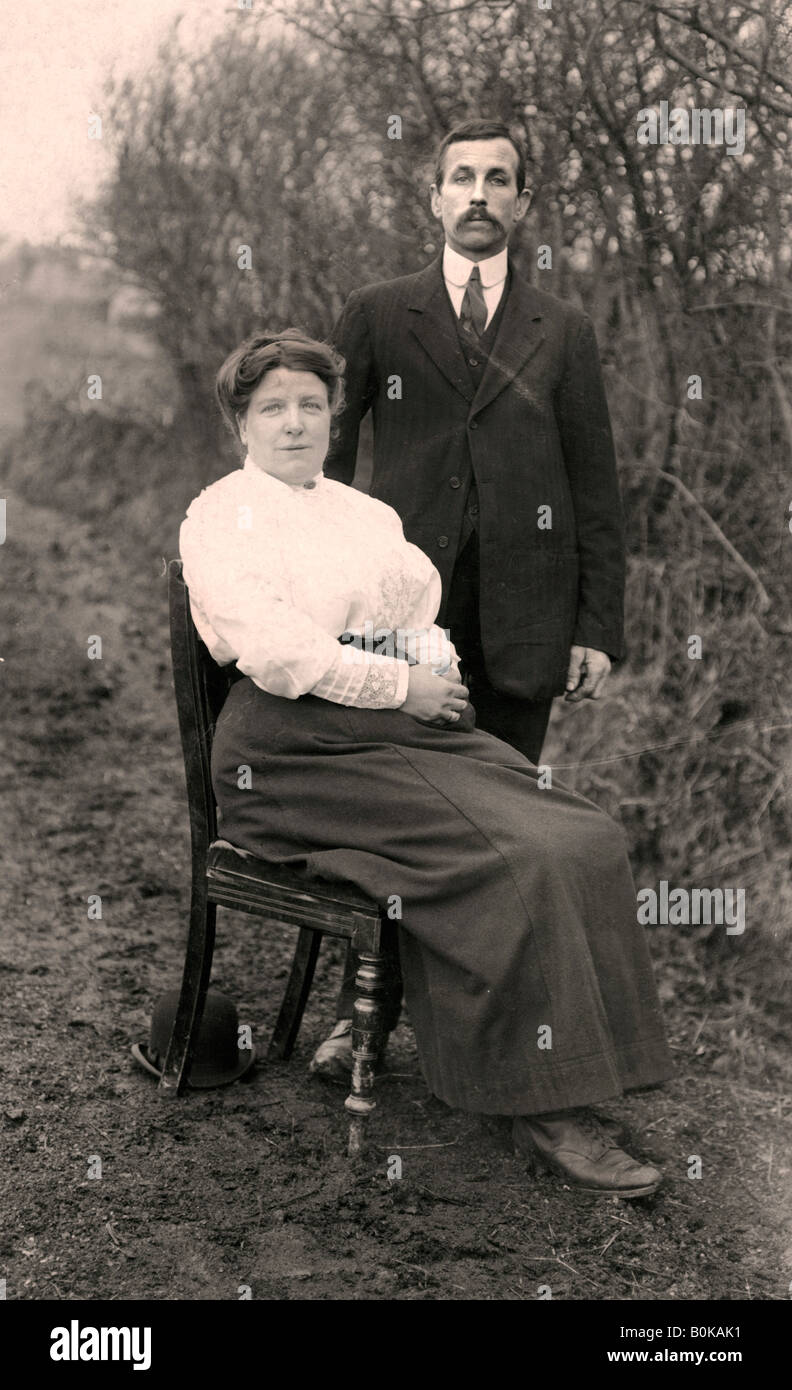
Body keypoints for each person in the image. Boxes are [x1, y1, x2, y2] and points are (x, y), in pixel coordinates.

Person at [179, 328, 673, 1198]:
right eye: (271, 409)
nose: (293, 424)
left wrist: (432, 669)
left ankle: (585, 1067)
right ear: (240, 424)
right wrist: (397, 686)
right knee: (521, 855)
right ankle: (539, 1103)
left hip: (391, 726)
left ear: (334, 417)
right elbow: (280, 652)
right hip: (289, 754)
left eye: (309, 406)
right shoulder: (222, 514)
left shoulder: (366, 515)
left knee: (583, 833)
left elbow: (416, 612)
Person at [317, 119, 628, 1070]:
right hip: (399, 626)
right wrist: (320, 600)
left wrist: (596, 628)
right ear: (437, 197)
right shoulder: (377, 313)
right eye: (463, 178)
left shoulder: (561, 331)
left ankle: (484, 1045)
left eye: (500, 179)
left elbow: (595, 486)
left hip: (526, 627)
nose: (480, 194)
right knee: (391, 824)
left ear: (523, 202)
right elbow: (322, 470)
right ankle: (360, 1015)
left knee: (500, 835)